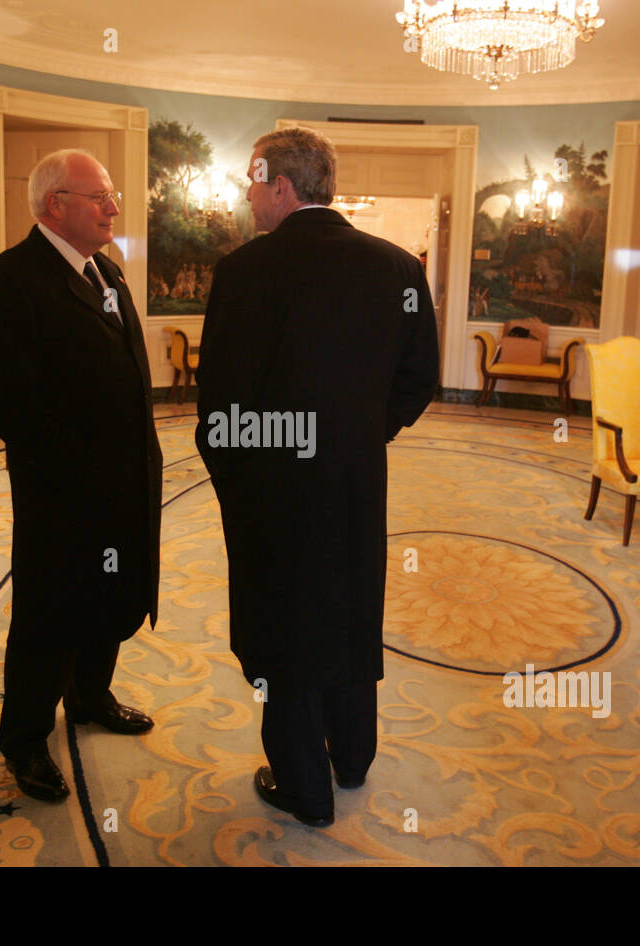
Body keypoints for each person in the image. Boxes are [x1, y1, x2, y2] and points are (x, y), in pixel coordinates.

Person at [194, 127, 439, 826]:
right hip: (358, 483)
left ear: (281, 186)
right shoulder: (398, 268)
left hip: (272, 490)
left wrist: (238, 476)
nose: (246, 197)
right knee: (350, 608)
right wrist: (364, 434)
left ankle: (306, 789)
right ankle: (352, 758)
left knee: (282, 627)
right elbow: (420, 379)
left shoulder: (243, 273)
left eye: (252, 182)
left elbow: (220, 403)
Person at [0, 149, 162, 802]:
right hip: (62, 491)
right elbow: (6, 401)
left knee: (111, 593)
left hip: (125, 479)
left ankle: (90, 695)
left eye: (111, 197)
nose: (113, 208)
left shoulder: (106, 272)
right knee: (49, 613)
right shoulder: (12, 280)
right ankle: (24, 737)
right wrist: (76, 465)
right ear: (56, 205)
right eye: (99, 197)